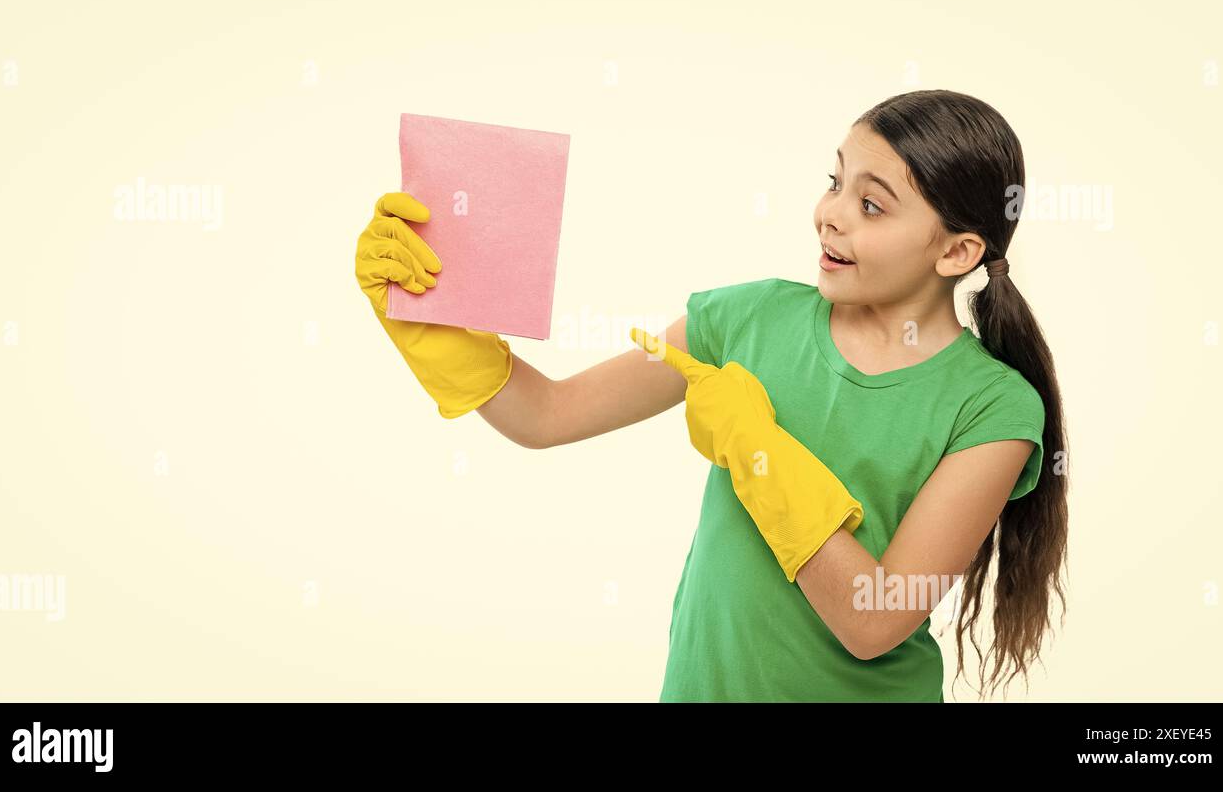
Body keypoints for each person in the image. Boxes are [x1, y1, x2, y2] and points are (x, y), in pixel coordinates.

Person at [354, 89, 1070, 702]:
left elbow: (874, 619)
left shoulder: (993, 408)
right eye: (835, 181)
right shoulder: (746, 319)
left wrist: (757, 450)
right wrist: (428, 321)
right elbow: (547, 415)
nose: (830, 213)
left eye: (872, 205)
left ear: (955, 251)